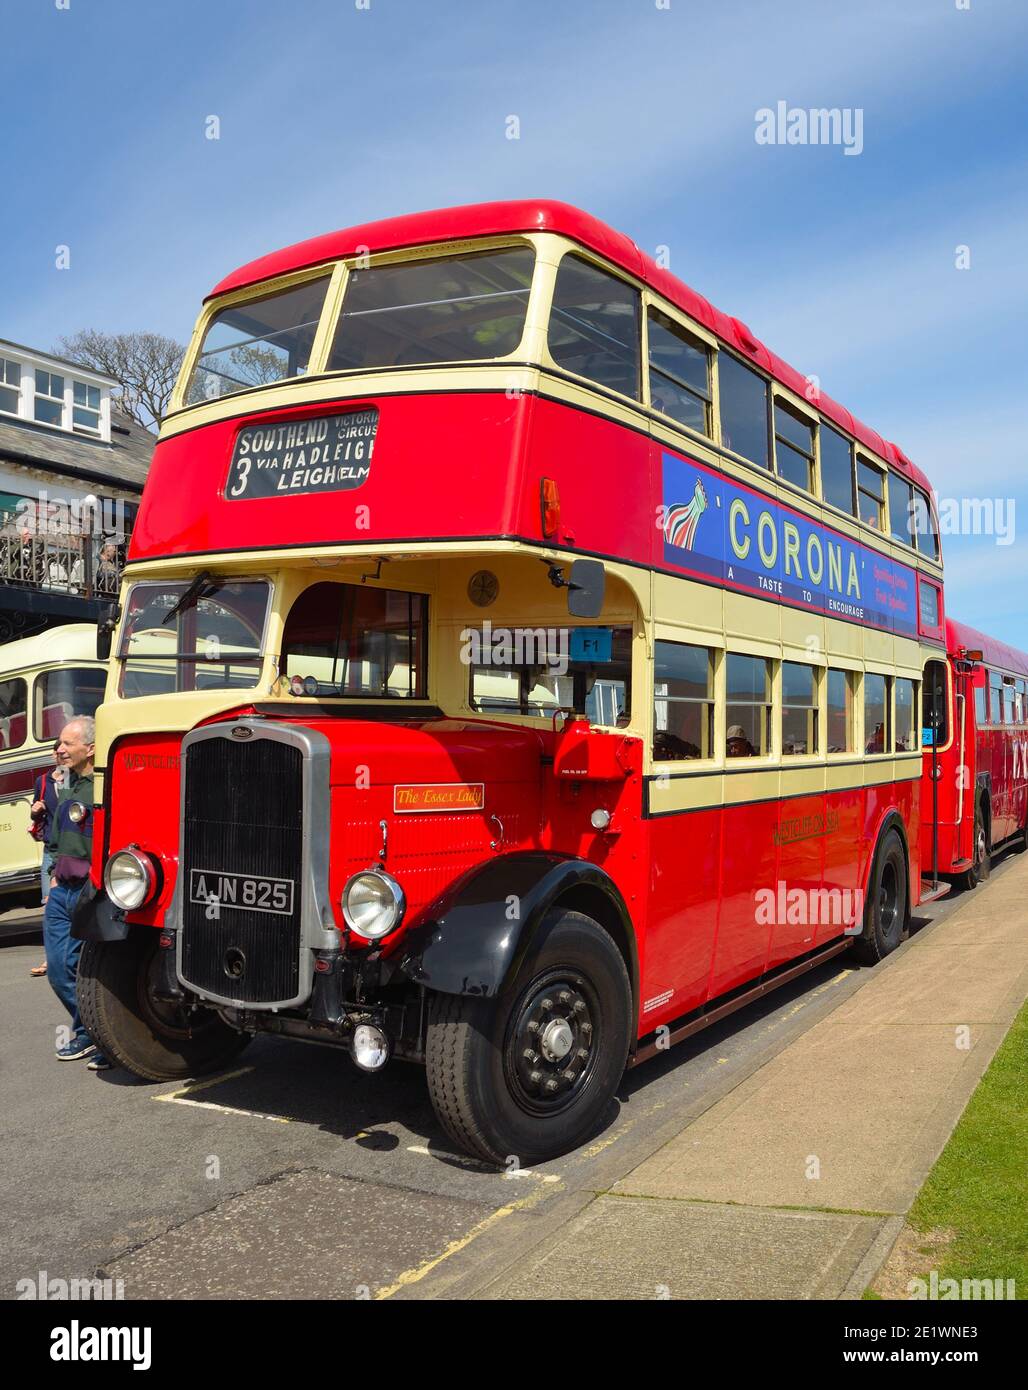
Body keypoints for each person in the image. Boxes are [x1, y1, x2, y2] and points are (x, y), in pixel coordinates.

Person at [43, 715, 112, 1071]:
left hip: (87, 892)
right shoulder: (68, 786)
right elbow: (55, 838)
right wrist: (55, 874)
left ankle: (97, 1036)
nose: (60, 750)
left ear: (91, 748)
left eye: (68, 744)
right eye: (59, 744)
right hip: (61, 892)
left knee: (85, 970)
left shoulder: (104, 788)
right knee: (58, 969)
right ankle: (98, 1032)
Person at [27, 740, 64, 977]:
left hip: (72, 851)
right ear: (53, 755)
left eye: (66, 750)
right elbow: (34, 812)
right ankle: (51, 960)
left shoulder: (75, 779)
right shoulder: (43, 781)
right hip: (51, 851)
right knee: (50, 906)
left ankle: (75, 957)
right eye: (58, 751)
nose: (62, 755)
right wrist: (35, 809)